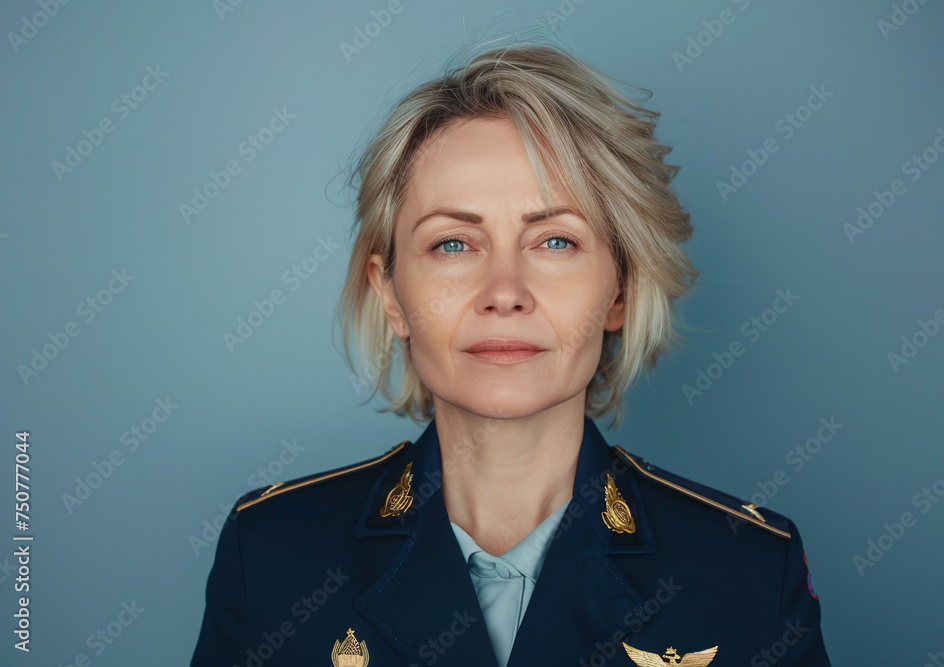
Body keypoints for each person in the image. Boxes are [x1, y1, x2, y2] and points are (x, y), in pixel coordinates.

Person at [190, 43, 832, 667]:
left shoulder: (746, 567)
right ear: (389, 293)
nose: (504, 293)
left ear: (621, 289)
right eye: (452, 245)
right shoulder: (271, 554)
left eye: (554, 241)